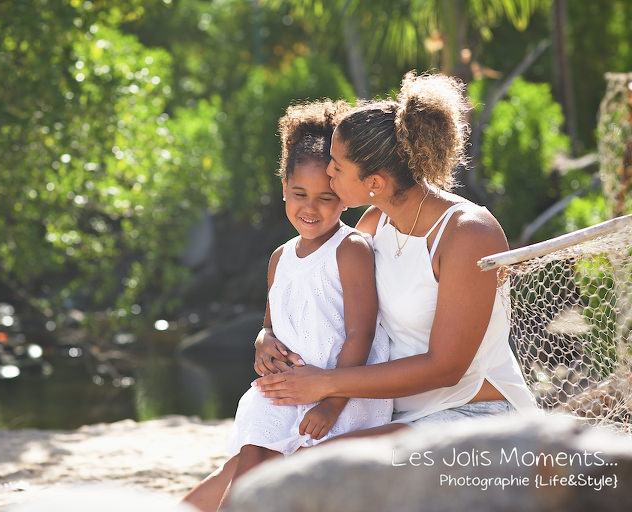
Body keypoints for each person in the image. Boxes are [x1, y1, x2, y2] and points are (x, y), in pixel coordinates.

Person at [182, 71, 536, 512]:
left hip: (470, 418)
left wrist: (326, 385)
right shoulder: (374, 225)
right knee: (242, 467)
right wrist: (266, 336)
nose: (327, 173)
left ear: (375, 183)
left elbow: (446, 367)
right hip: (385, 411)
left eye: (337, 166)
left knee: (303, 470)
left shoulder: (467, 233)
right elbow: (315, 293)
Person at [224, 100, 392, 488]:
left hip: (339, 392)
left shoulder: (350, 249)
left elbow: (361, 333)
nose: (310, 208)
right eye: (299, 194)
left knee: (298, 480)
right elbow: (270, 324)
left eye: (325, 198)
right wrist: (262, 341)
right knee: (250, 463)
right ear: (284, 189)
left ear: (344, 197)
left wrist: (333, 402)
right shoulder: (280, 257)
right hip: (286, 390)